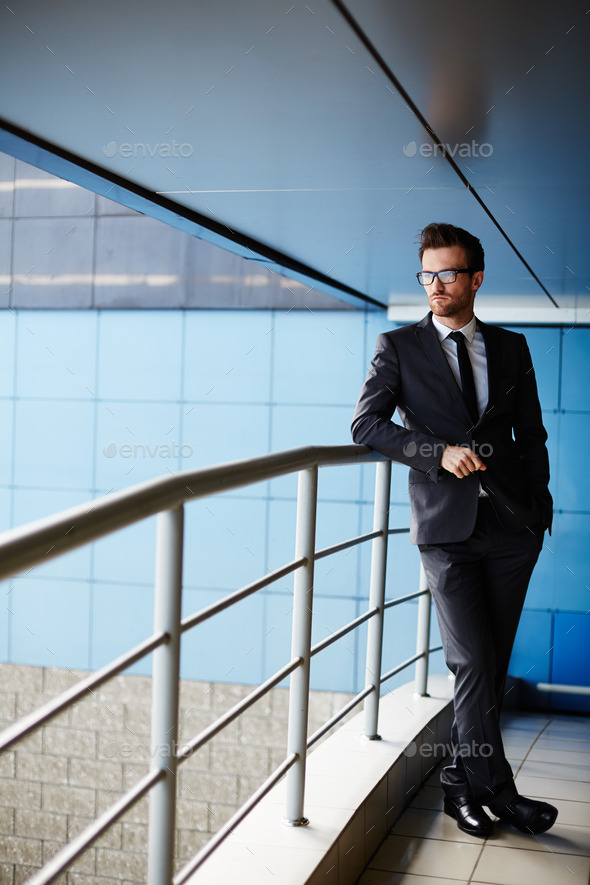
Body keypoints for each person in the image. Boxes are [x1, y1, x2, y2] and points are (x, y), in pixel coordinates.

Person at [351, 222, 557, 838]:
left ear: (476, 279)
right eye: (427, 275)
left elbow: (534, 436)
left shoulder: (512, 348)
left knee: (490, 667)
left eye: (447, 274)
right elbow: (366, 425)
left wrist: (538, 509)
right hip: (445, 530)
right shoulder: (398, 347)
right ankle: (501, 792)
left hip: (512, 526)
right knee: (470, 662)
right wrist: (434, 451)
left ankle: (455, 786)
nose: (436, 285)